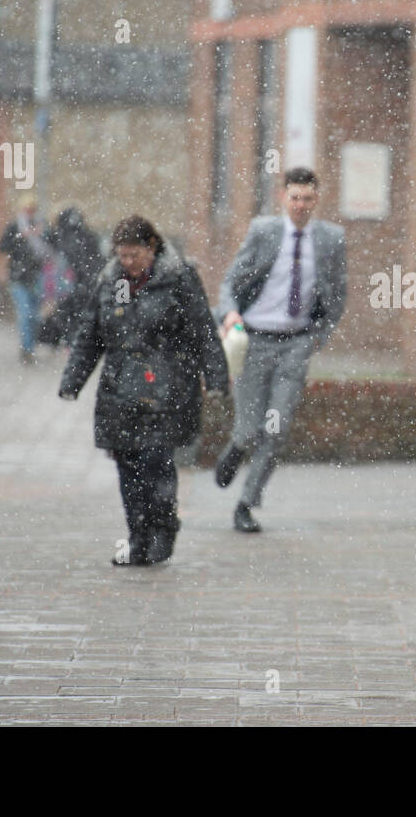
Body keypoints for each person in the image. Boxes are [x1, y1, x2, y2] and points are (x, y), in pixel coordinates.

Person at [58, 216, 230, 565]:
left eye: (134, 255)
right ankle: (138, 536)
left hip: (165, 388)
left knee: (156, 462)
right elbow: (91, 336)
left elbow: (203, 331)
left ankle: (163, 530)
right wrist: (72, 381)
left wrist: (215, 379)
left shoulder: (178, 279)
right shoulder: (111, 283)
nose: (127, 263)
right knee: (128, 466)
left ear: (152, 248)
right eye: (121, 255)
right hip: (119, 391)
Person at [214, 167, 347, 533]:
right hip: (254, 339)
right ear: (283, 198)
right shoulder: (264, 232)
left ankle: (246, 503)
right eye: (295, 198)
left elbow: (337, 296)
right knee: (248, 429)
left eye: (307, 198)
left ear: (316, 199)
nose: (301, 205)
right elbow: (231, 280)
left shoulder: (332, 240)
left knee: (276, 429)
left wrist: (318, 337)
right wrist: (230, 314)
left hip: (296, 343)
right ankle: (237, 447)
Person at [0, 194, 50, 364]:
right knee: (26, 313)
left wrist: (40, 235)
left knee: (35, 316)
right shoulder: (15, 227)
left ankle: (30, 346)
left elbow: (52, 249)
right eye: (27, 209)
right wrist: (23, 236)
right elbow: (3, 247)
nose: (29, 212)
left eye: (32, 209)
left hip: (36, 277)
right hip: (19, 278)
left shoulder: (42, 227)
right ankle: (27, 349)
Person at [39, 207, 104, 347]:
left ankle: (69, 343)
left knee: (68, 315)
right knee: (76, 315)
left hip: (71, 284)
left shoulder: (59, 236)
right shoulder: (86, 236)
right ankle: (72, 343)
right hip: (78, 283)